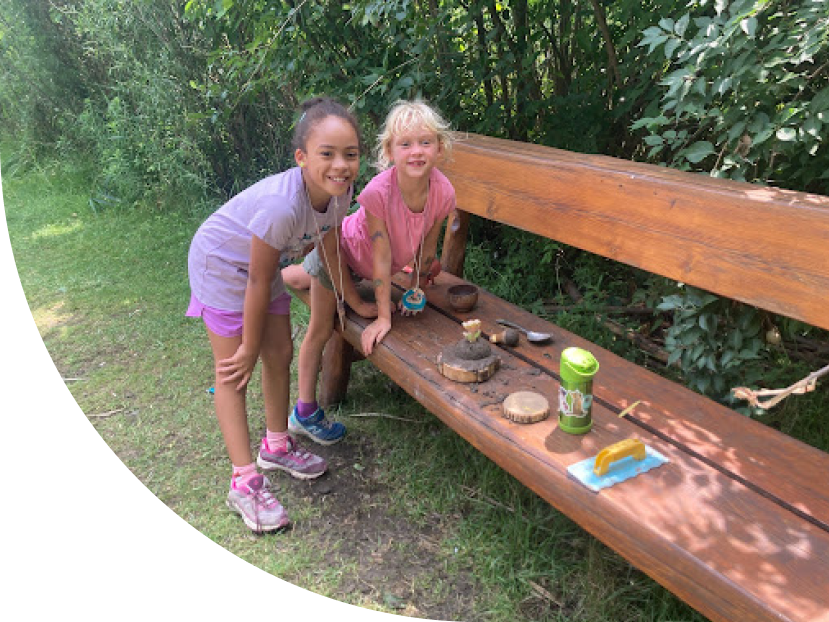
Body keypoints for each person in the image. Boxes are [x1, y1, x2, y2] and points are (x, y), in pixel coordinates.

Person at [186, 97, 369, 533]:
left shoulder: (339, 196)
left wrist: (355, 301)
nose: (340, 165)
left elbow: (327, 247)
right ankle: (244, 480)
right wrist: (248, 344)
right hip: (223, 264)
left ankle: (277, 445)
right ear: (302, 158)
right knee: (234, 370)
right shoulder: (281, 206)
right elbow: (254, 282)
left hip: (259, 268)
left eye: (351, 154)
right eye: (327, 154)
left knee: (280, 352)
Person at [283, 99, 456, 441]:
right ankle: (303, 410)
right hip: (339, 253)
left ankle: (271, 276)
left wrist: (415, 290)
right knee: (320, 324)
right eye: (405, 144)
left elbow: (427, 249)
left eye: (425, 142)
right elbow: (380, 257)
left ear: (440, 147)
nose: (416, 151)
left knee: (298, 275)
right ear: (390, 151)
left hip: (366, 267)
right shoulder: (379, 192)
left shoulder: (443, 193)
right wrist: (380, 315)